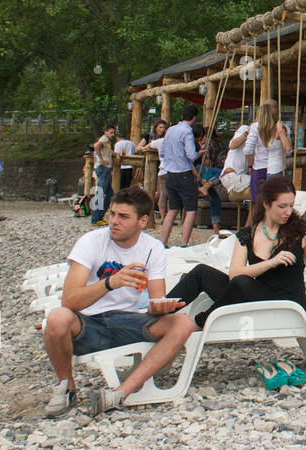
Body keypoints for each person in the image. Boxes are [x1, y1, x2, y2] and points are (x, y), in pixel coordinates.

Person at [42, 187, 195, 416]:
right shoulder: (91, 242)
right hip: (87, 321)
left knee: (183, 323)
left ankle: (120, 393)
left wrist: (161, 306)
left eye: (123, 217)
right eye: (112, 214)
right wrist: (110, 283)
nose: (113, 221)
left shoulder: (153, 249)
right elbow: (69, 300)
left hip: (126, 321)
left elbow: (156, 300)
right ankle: (67, 387)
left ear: (142, 221)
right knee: (56, 318)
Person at [169, 176, 306, 347]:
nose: (288, 212)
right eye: (282, 206)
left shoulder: (301, 229)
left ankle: (197, 322)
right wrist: (270, 262)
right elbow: (234, 273)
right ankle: (160, 311)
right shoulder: (248, 234)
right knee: (202, 272)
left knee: (242, 283)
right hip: (255, 296)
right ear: (266, 204)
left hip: (288, 304)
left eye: (291, 206)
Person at [157, 104, 200, 246]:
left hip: (170, 174)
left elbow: (162, 152)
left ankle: (163, 242)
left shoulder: (170, 130)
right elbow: (191, 155)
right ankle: (183, 243)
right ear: (194, 118)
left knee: (172, 209)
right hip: (184, 174)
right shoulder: (187, 132)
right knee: (191, 210)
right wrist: (199, 153)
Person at [244, 99, 291, 226]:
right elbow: (288, 152)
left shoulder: (262, 129)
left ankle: (250, 234)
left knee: (258, 206)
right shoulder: (273, 129)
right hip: (273, 170)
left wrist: (250, 165)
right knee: (271, 206)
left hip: (266, 169)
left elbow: (247, 149)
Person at [135, 120, 169, 218]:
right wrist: (147, 148)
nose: (162, 130)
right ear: (155, 128)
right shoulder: (149, 137)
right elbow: (138, 148)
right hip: (150, 165)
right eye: (160, 127)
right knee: (149, 188)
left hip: (161, 166)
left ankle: (154, 211)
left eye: (164, 128)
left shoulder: (165, 139)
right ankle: (145, 211)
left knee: (160, 192)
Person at [90, 125, 117, 225]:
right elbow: (96, 146)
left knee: (109, 194)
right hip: (103, 168)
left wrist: (117, 154)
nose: (112, 135)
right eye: (111, 132)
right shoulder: (104, 139)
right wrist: (101, 159)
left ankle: (100, 216)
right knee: (101, 193)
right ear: (105, 132)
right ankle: (96, 218)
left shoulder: (107, 141)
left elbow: (108, 152)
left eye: (113, 133)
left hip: (105, 169)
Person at [219, 121, 252, 197]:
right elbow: (232, 145)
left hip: (241, 177)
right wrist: (247, 133)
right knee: (259, 184)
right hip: (231, 176)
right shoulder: (245, 129)